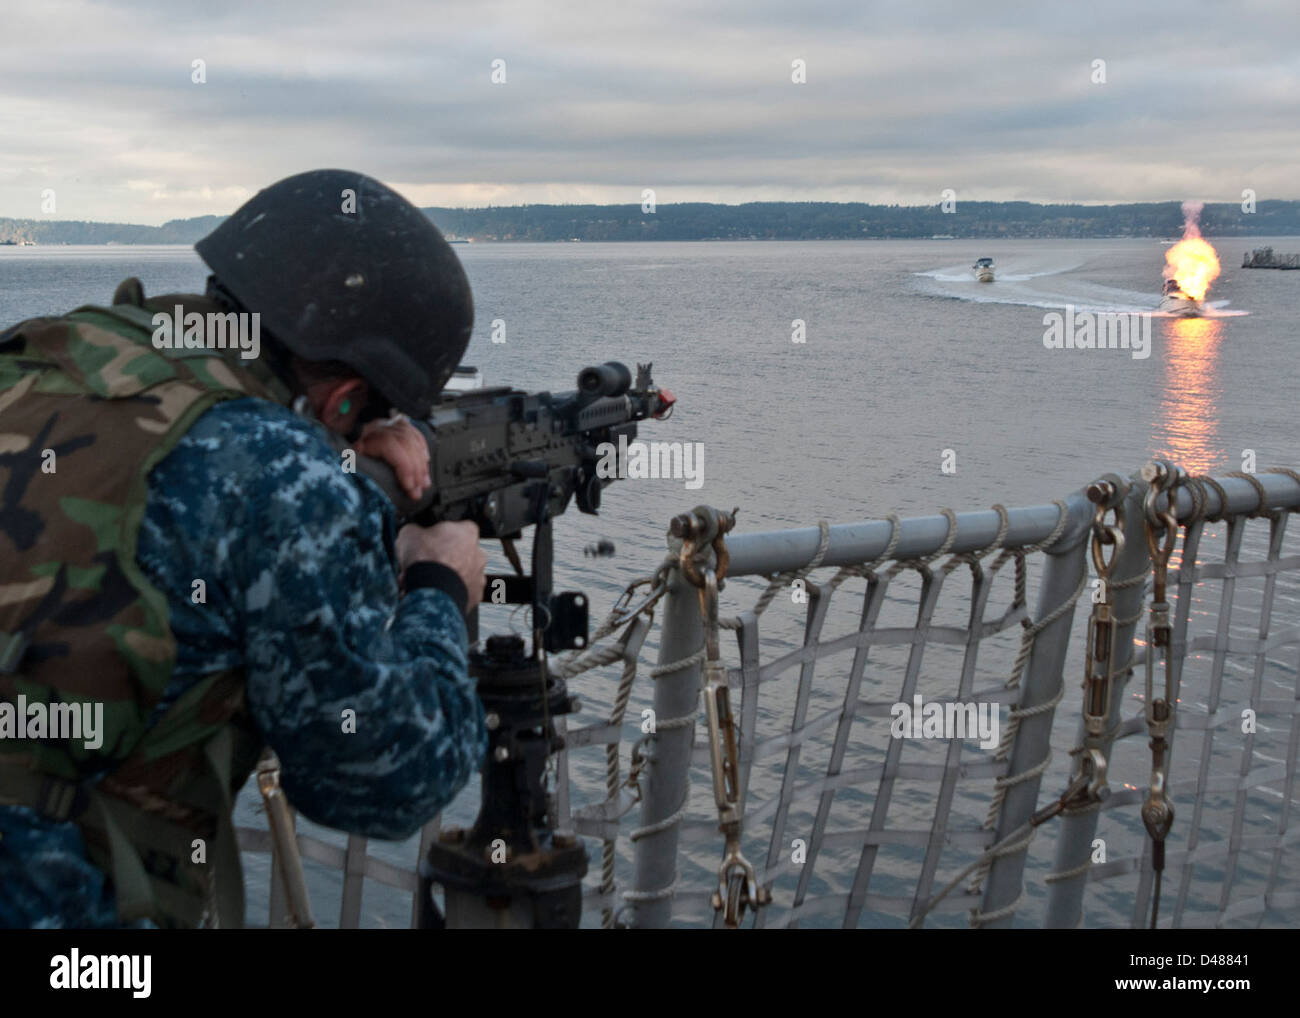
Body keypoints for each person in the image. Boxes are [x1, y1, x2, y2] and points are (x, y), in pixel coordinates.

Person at [0, 169, 488, 928]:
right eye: (371, 405)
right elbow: (388, 778)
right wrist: (437, 585)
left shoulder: (56, 357)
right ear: (348, 398)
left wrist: (329, 442)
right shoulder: (284, 475)